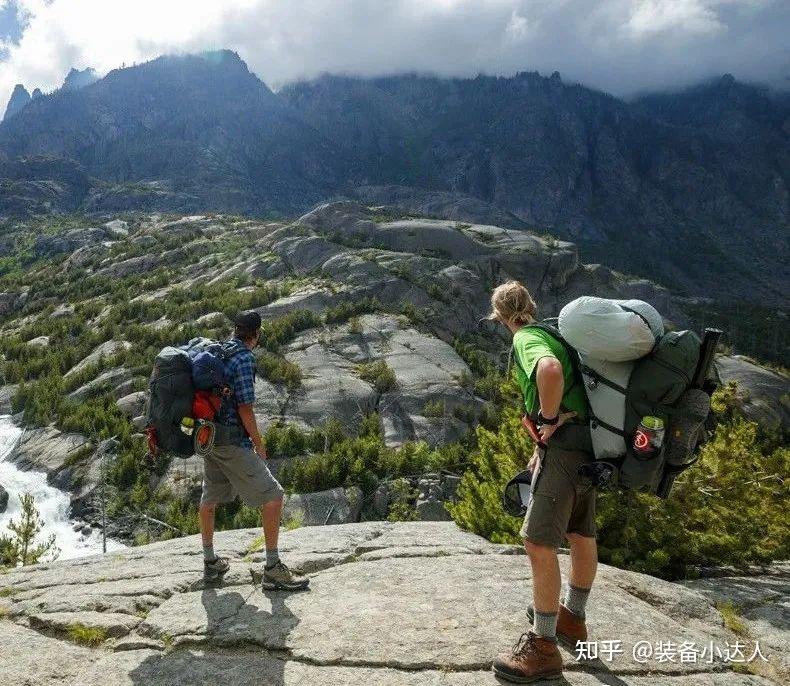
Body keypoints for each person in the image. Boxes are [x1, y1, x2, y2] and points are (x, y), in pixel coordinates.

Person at [487, 282, 597, 683]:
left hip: (565, 448)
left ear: (499, 316)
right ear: (530, 306)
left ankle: (543, 646)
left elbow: (548, 371)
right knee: (580, 531)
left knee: (538, 542)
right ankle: (573, 617)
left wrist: (548, 421)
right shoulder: (554, 332)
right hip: (589, 445)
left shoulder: (528, 338)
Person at [199, 310, 309, 592]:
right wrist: (258, 442)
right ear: (256, 334)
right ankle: (272, 570)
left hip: (209, 437)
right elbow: (245, 407)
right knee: (273, 497)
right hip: (232, 440)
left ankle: (210, 563)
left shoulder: (221, 351)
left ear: (237, 331)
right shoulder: (245, 358)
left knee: (209, 498)